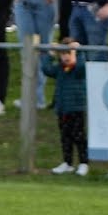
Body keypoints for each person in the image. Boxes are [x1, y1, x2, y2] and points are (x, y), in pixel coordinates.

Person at [42, 39, 89, 176]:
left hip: (77, 109)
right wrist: (50, 53)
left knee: (79, 137)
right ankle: (67, 163)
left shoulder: (78, 70)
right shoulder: (60, 69)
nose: (66, 57)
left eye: (69, 53)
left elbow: (82, 65)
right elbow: (47, 69)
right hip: (62, 109)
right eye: (63, 54)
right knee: (65, 137)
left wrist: (79, 51)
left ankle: (83, 163)